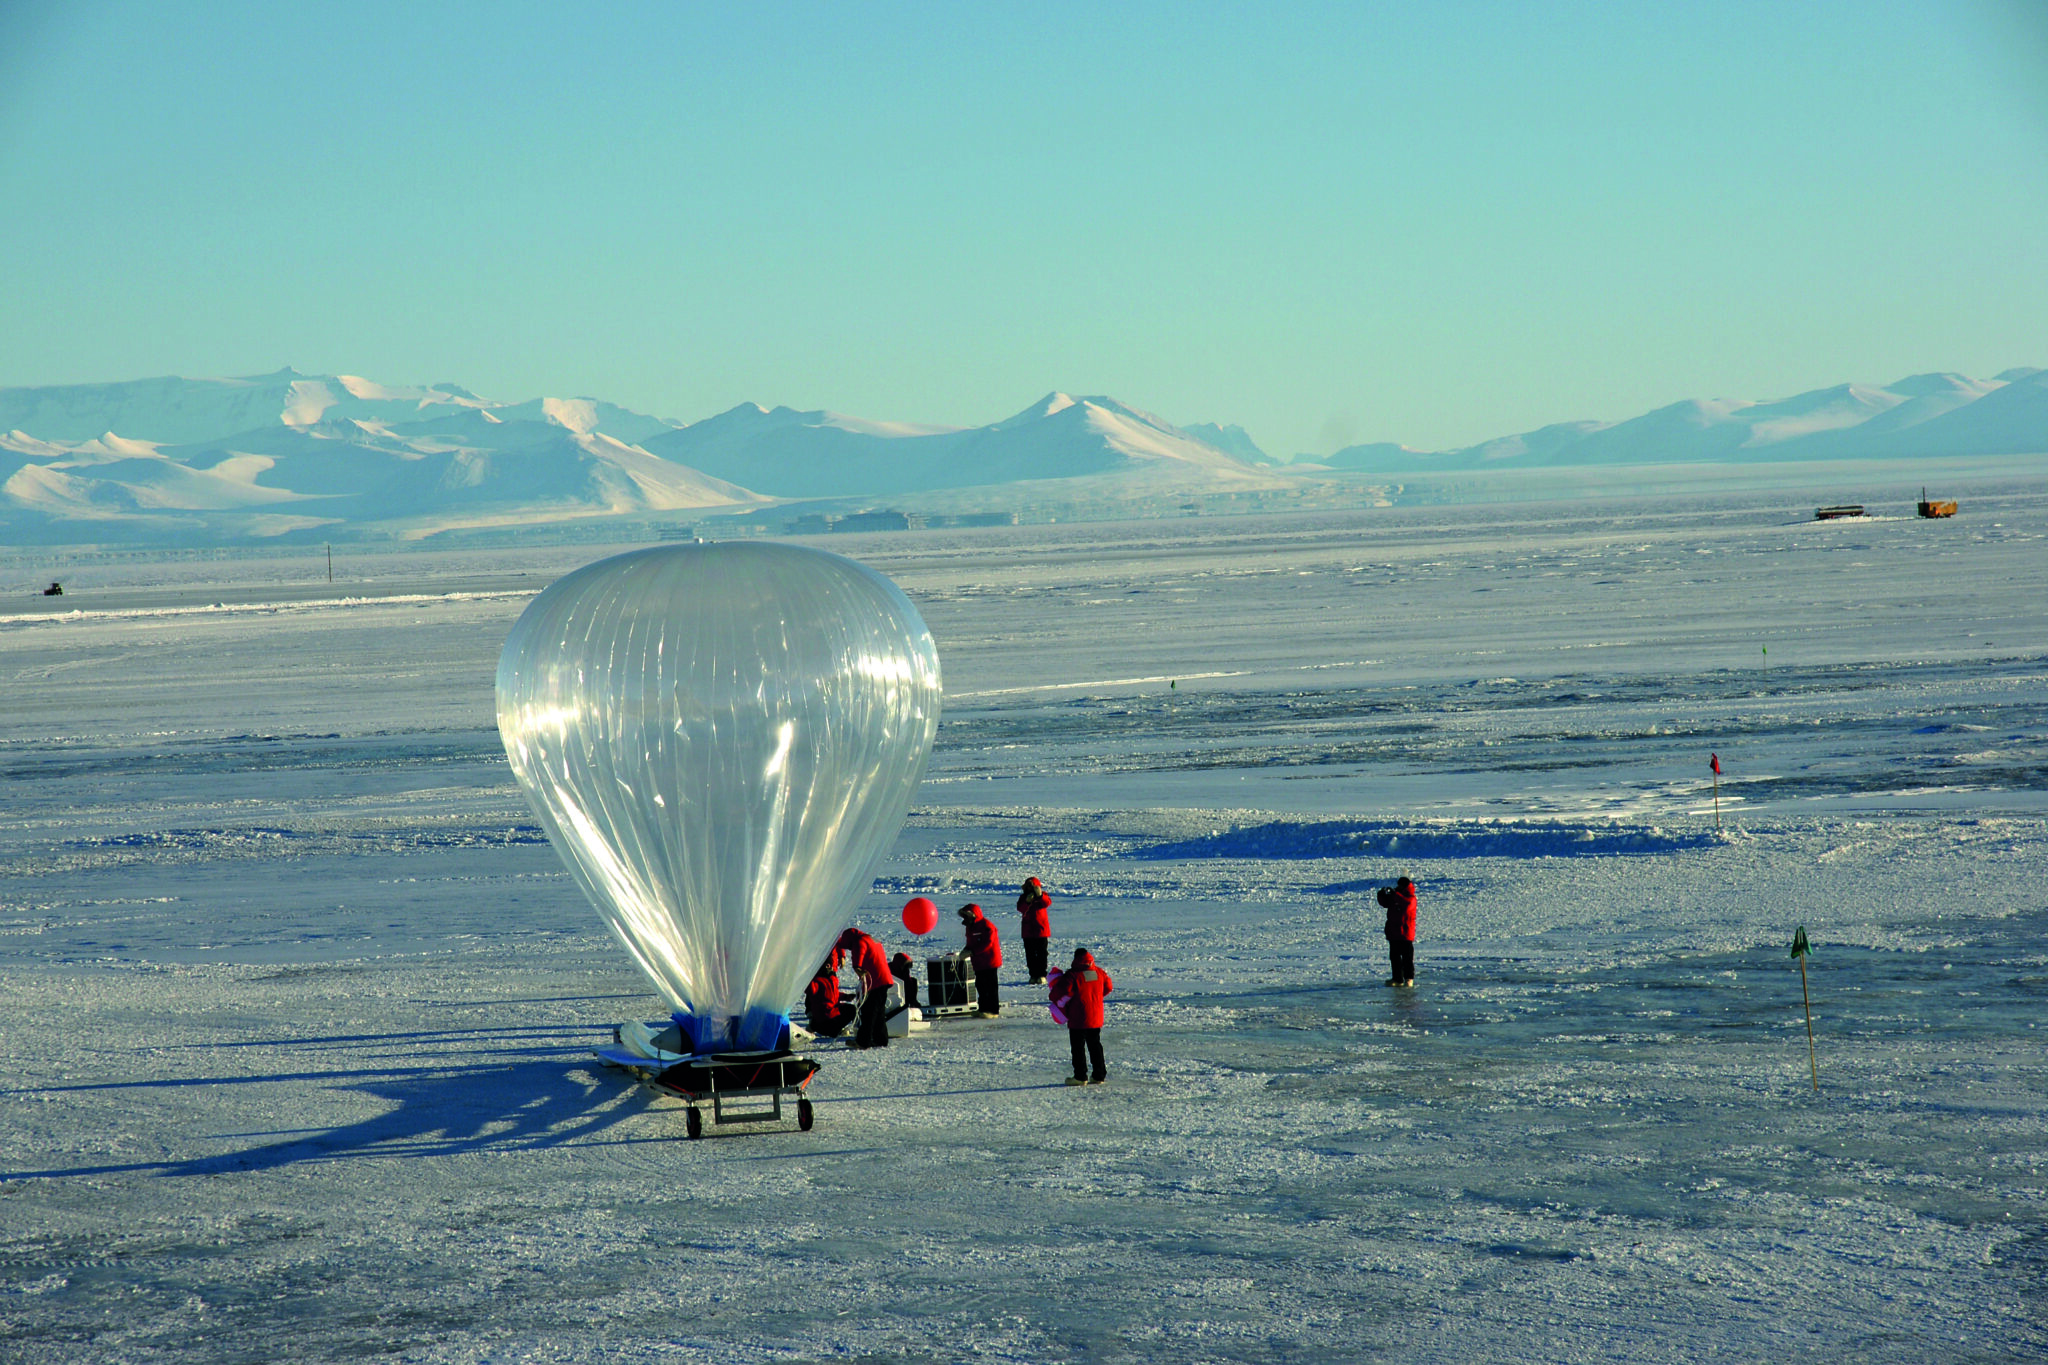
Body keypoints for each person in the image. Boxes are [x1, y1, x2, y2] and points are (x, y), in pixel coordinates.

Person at [1050, 947, 1113, 1085]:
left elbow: (1057, 993)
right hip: (1095, 1017)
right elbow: (1108, 987)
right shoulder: (1099, 972)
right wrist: (1095, 997)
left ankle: (1080, 1076)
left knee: (1078, 1047)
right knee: (1095, 1045)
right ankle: (1099, 1075)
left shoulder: (1073, 975)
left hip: (1078, 1018)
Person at [835, 926, 896, 1048]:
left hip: (875, 981)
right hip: (885, 979)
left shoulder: (859, 941)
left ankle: (863, 1041)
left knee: (869, 1012)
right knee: (879, 1012)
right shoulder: (872, 939)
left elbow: (859, 954)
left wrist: (857, 967)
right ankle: (881, 1039)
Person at [957, 903, 1002, 1018]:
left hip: (990, 961)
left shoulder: (986, 926)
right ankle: (983, 1008)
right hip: (978, 962)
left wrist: (971, 952)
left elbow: (987, 943)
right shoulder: (969, 926)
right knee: (980, 985)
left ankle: (993, 1011)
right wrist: (965, 950)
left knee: (990, 987)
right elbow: (970, 942)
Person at [1376, 875, 1417, 987]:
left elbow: (1407, 906)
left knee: (1407, 958)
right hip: (1394, 933)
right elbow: (1385, 903)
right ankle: (1397, 979)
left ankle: (1409, 978)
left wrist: (1395, 894)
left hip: (1406, 933)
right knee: (1394, 958)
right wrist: (1381, 894)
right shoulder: (1396, 896)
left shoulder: (1411, 898)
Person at [803, 952, 852, 1037]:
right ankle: (816, 1025)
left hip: (832, 1013)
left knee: (850, 1009)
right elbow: (809, 989)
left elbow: (834, 994)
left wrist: (845, 997)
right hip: (824, 1018)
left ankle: (835, 1029)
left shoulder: (833, 980)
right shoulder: (817, 982)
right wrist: (808, 975)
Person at [1016, 877, 1052, 984]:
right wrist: (1027, 902)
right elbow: (1020, 908)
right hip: (1028, 932)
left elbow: (1047, 903)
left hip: (1041, 931)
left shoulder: (1043, 896)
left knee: (1042, 954)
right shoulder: (1023, 897)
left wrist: (1040, 895)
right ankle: (1033, 974)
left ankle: (1041, 975)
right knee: (1030, 954)